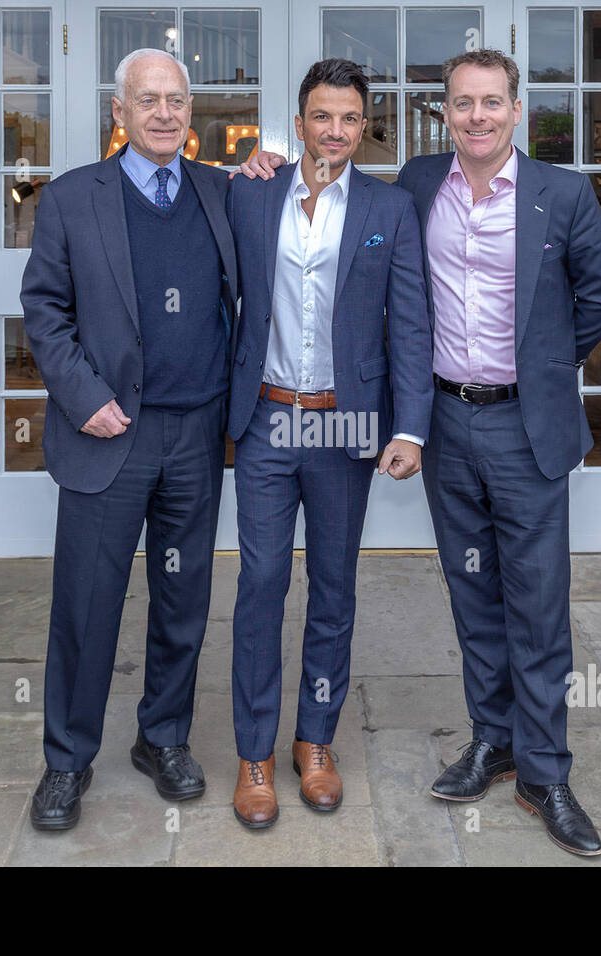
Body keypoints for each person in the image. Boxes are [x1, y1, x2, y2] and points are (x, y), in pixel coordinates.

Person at [238, 49, 601, 855]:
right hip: (448, 424)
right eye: (462, 104)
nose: (477, 116)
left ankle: (546, 773)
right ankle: (493, 739)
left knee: (538, 600)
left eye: (491, 103)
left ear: (516, 110)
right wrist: (257, 159)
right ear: (443, 113)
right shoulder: (415, 185)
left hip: (525, 428)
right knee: (472, 593)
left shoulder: (560, 193)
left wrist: (544, 366)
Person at [20, 48, 238, 830]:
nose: (163, 113)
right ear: (120, 111)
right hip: (109, 434)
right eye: (147, 100)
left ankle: (163, 737)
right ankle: (66, 760)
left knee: (183, 601)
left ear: (191, 110)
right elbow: (44, 310)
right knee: (87, 604)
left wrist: (279, 166)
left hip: (196, 434)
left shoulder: (220, 190)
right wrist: (85, 399)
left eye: (176, 100)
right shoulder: (74, 199)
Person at [223, 58, 433, 829]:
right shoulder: (252, 190)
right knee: (261, 585)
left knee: (334, 592)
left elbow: (410, 322)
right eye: (321, 116)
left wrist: (409, 426)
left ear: (364, 123)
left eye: (349, 118)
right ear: (301, 118)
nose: (335, 131)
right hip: (271, 418)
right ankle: (253, 752)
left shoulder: (391, 205)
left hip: (346, 423)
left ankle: (315, 742)